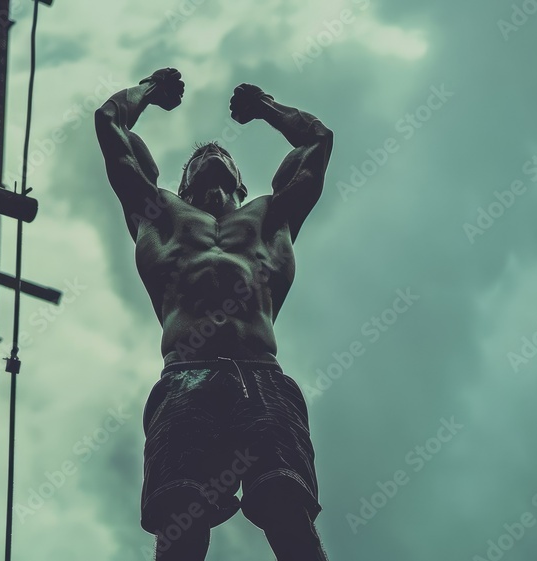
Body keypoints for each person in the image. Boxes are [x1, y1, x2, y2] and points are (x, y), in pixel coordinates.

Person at [94, 68, 334, 560]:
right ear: (181, 182)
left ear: (243, 182)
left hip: (262, 374)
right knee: (181, 521)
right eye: (200, 155)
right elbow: (110, 123)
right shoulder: (157, 213)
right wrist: (151, 90)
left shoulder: (273, 216)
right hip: (186, 372)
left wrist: (265, 106)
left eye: (220, 152)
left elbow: (318, 139)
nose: (210, 154)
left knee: (289, 511)